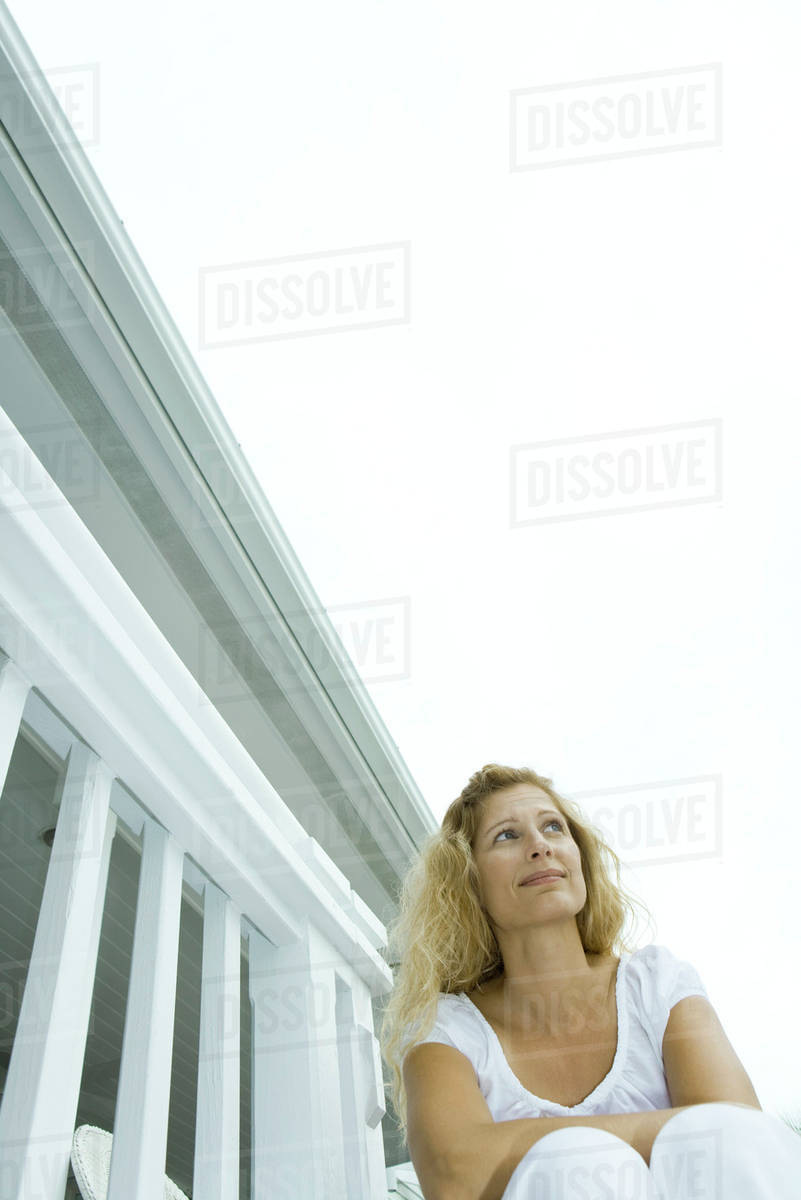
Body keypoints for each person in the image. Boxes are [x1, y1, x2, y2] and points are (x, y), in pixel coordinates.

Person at [379, 763, 801, 1199]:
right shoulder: (447, 1030)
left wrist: (516, 1148)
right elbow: (456, 1178)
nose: (539, 845)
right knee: (575, 1162)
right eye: (507, 835)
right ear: (470, 882)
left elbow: (737, 1138)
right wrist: (670, 1134)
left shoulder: (656, 985)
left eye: (553, 827)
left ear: (578, 856)